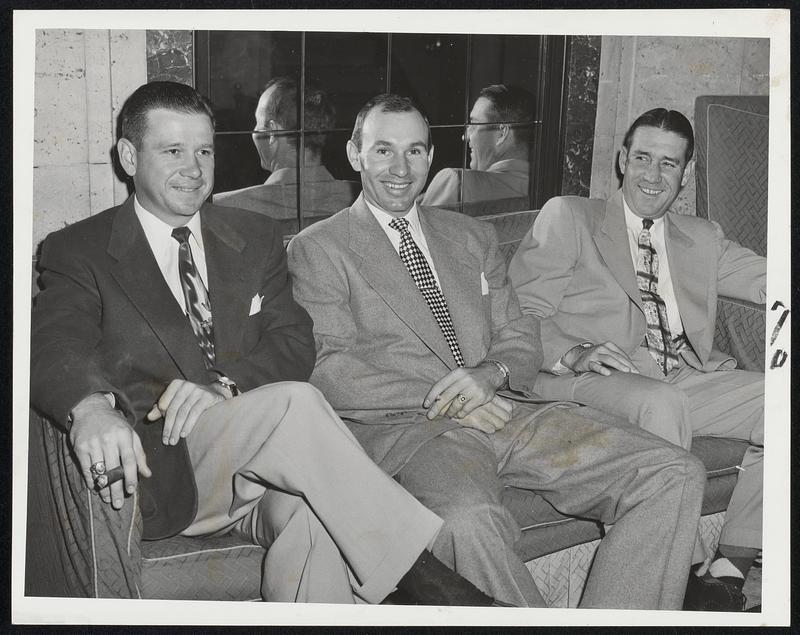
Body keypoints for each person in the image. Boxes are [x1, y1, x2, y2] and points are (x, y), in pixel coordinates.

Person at [29, 80, 510, 606]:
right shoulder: (80, 250)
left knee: (318, 521)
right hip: (169, 465)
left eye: (205, 151)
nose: (194, 169)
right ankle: (430, 583)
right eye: (172, 151)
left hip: (269, 472)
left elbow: (295, 342)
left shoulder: (253, 236)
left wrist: (226, 387)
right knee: (295, 402)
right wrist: (90, 407)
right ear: (128, 156)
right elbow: (54, 342)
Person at [287, 93, 707, 609]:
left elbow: (520, 330)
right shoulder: (318, 247)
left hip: (512, 410)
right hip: (416, 429)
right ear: (354, 154)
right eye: (383, 151)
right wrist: (457, 394)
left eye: (415, 151)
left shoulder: (470, 235)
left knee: (674, 473)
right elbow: (330, 368)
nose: (401, 168)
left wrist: (491, 373)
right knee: (468, 522)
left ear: (431, 155)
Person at [508, 108, 765, 612]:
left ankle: (730, 568)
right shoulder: (570, 216)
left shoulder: (703, 237)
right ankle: (686, 575)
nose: (652, 174)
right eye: (642, 158)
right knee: (661, 402)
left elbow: (771, 274)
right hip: (591, 377)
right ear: (623, 160)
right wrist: (575, 352)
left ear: (685, 173)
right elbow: (518, 313)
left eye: (668, 164)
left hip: (683, 375)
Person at [214, 76, 360, 233]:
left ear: (271, 132)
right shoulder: (361, 199)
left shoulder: (223, 208)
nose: (253, 132)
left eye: (257, 123)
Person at [421, 84, 532, 208]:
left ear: (502, 133)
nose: (465, 136)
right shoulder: (543, 193)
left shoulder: (458, 183)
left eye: (474, 124)